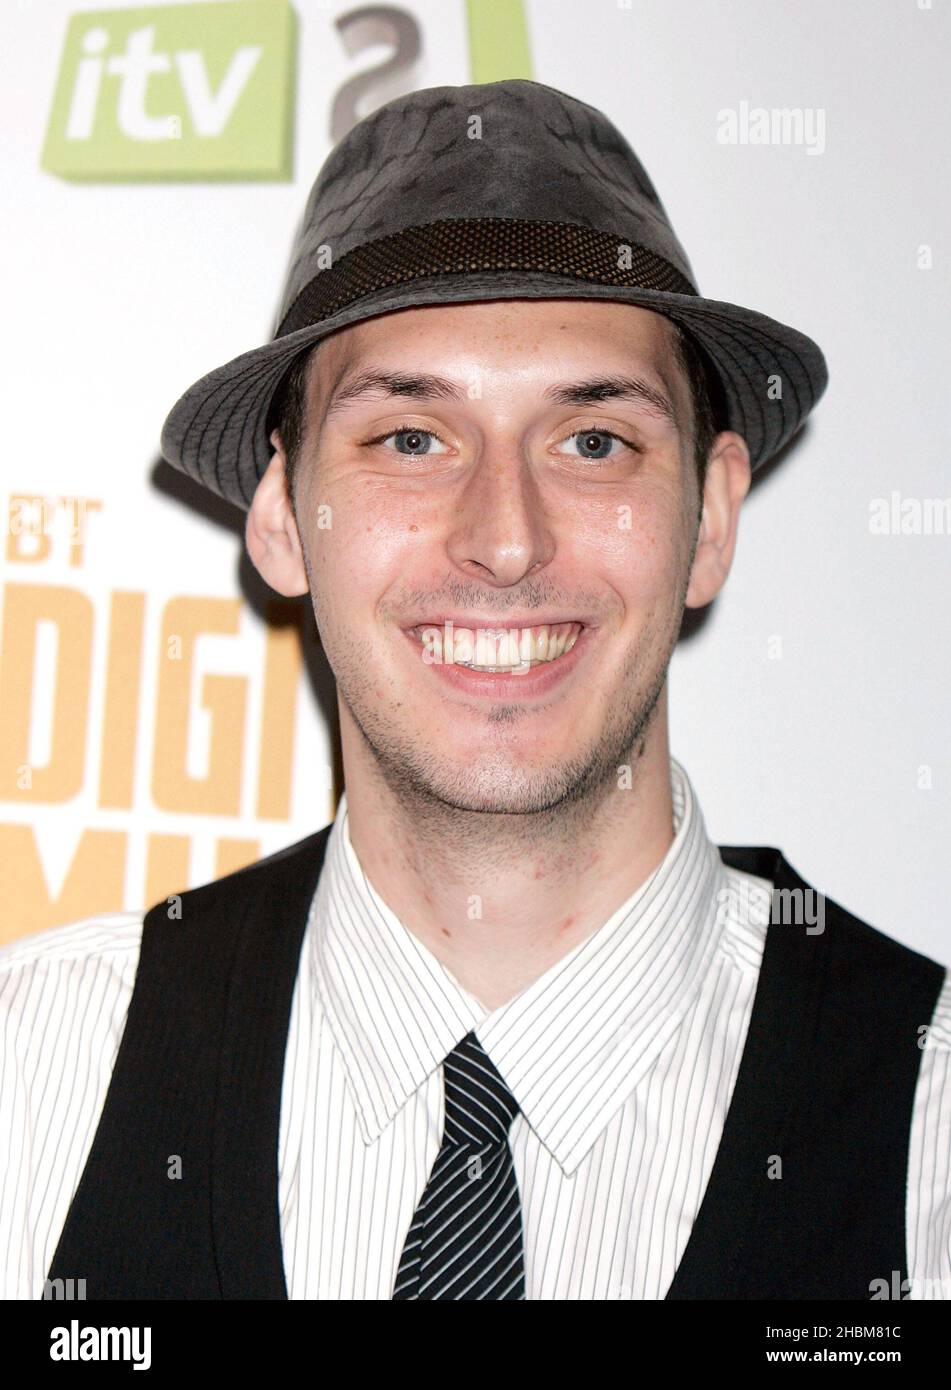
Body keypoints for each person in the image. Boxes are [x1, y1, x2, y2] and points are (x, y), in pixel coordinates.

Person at [2, 79, 948, 1302]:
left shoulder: (927, 1118)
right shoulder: (32, 1077)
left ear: (710, 518)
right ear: (284, 520)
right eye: (410, 438)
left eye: (591, 439)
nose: (505, 541)